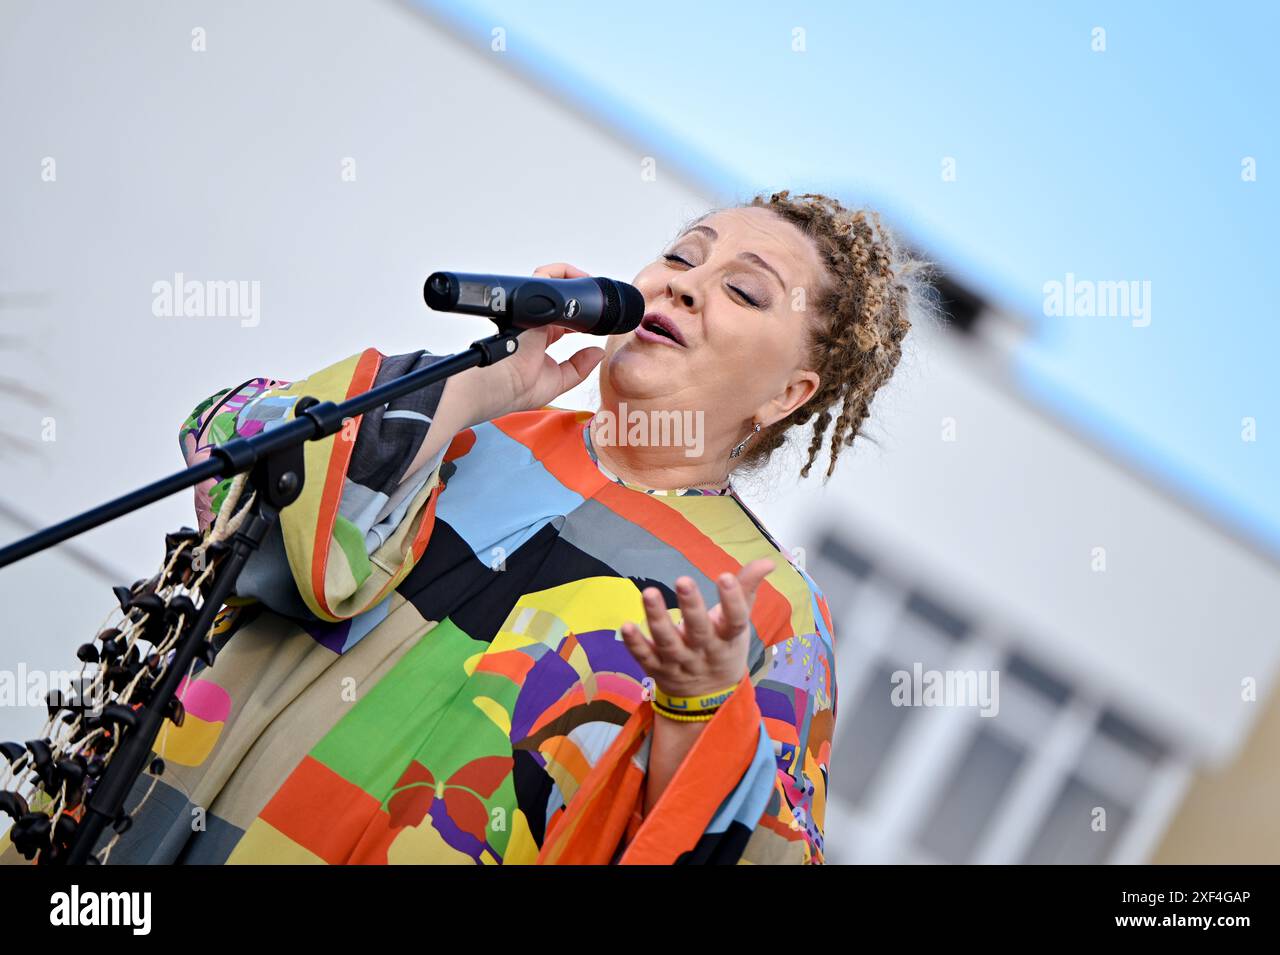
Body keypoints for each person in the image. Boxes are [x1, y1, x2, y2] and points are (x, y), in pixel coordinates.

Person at [3, 191, 925, 865]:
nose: (684, 287)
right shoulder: (461, 420)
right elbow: (228, 449)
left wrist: (698, 706)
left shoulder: (762, 610)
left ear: (788, 394)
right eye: (682, 257)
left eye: (746, 292)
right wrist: (479, 386)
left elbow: (747, 854)